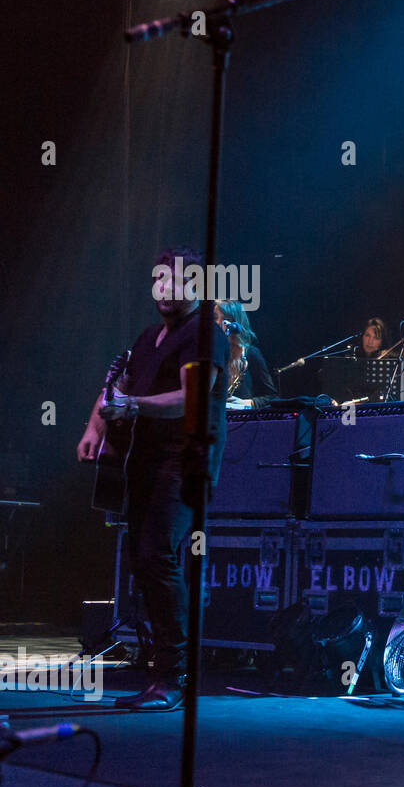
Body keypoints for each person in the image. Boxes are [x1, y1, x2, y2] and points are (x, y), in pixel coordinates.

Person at [77, 246, 230, 711]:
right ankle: (160, 668)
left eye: (178, 281)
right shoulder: (147, 338)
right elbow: (118, 388)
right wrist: (93, 428)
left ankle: (173, 676)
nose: (167, 288)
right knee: (144, 562)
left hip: (184, 462)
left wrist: (134, 406)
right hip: (143, 461)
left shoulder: (205, 335)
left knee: (158, 556)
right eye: (161, 279)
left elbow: (191, 399)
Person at [217, 301, 277, 409]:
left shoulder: (251, 354)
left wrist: (248, 403)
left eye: (217, 318)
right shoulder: (213, 355)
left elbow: (272, 397)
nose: (215, 323)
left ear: (234, 323)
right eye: (214, 318)